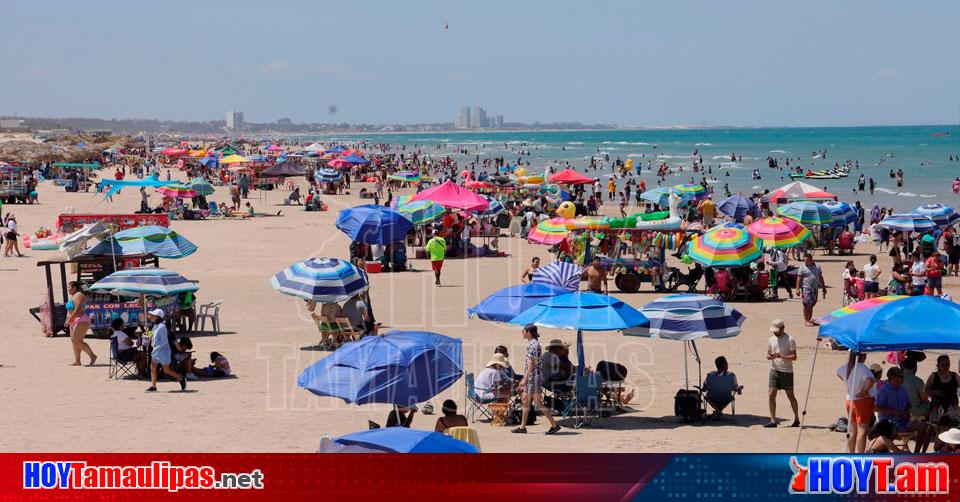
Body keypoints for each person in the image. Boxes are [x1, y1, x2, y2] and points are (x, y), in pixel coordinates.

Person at [512, 324, 561, 435]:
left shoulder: (533, 345)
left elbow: (532, 363)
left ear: (529, 332)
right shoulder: (533, 344)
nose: (522, 333)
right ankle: (522, 427)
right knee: (525, 401)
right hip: (534, 377)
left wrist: (525, 378)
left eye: (523, 331)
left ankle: (554, 425)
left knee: (537, 403)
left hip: (533, 377)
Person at [875, 366, 934, 452]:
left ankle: (916, 453)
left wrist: (907, 410)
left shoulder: (902, 388)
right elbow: (876, 408)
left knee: (924, 426)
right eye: (901, 376)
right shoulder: (884, 390)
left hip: (903, 420)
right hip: (888, 422)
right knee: (891, 431)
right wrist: (893, 412)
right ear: (893, 378)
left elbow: (908, 403)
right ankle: (892, 451)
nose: (903, 378)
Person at [836, 352, 875, 453]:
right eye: (865, 354)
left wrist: (848, 384)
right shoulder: (862, 367)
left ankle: (851, 454)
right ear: (861, 356)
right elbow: (870, 380)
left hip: (850, 400)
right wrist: (864, 391)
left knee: (853, 430)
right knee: (862, 431)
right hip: (862, 402)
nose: (866, 356)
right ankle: (860, 456)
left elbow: (838, 372)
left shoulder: (848, 366)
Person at [766, 319, 800, 428]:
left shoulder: (790, 340)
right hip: (774, 369)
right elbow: (767, 355)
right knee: (771, 394)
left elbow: (794, 357)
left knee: (790, 396)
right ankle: (773, 420)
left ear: (783, 328)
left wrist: (781, 356)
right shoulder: (771, 339)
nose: (775, 333)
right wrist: (771, 356)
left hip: (787, 371)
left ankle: (796, 418)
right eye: (774, 331)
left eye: (776, 331)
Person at [146, 309, 186, 392]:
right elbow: (152, 334)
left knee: (166, 370)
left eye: (153, 315)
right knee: (152, 368)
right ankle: (153, 386)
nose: (151, 317)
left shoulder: (162, 327)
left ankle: (181, 378)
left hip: (163, 351)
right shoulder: (155, 326)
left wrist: (155, 349)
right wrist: (146, 335)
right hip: (156, 351)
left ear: (157, 317)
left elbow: (164, 341)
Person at [65, 281, 97, 366]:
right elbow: (69, 310)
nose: (68, 289)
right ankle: (77, 360)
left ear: (74, 288)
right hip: (73, 321)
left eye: (69, 287)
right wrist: (67, 320)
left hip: (81, 320)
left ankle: (92, 355)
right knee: (74, 341)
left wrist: (69, 319)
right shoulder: (72, 297)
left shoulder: (79, 295)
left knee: (77, 340)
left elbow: (77, 309)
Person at [795, 253, 827, 327]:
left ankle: (810, 319)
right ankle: (806, 320)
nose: (805, 261)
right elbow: (798, 279)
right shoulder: (802, 267)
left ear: (811, 259)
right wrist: (797, 289)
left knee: (812, 304)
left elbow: (820, 277)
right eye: (805, 259)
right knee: (806, 304)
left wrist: (824, 287)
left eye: (807, 259)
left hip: (815, 288)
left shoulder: (817, 267)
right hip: (806, 288)